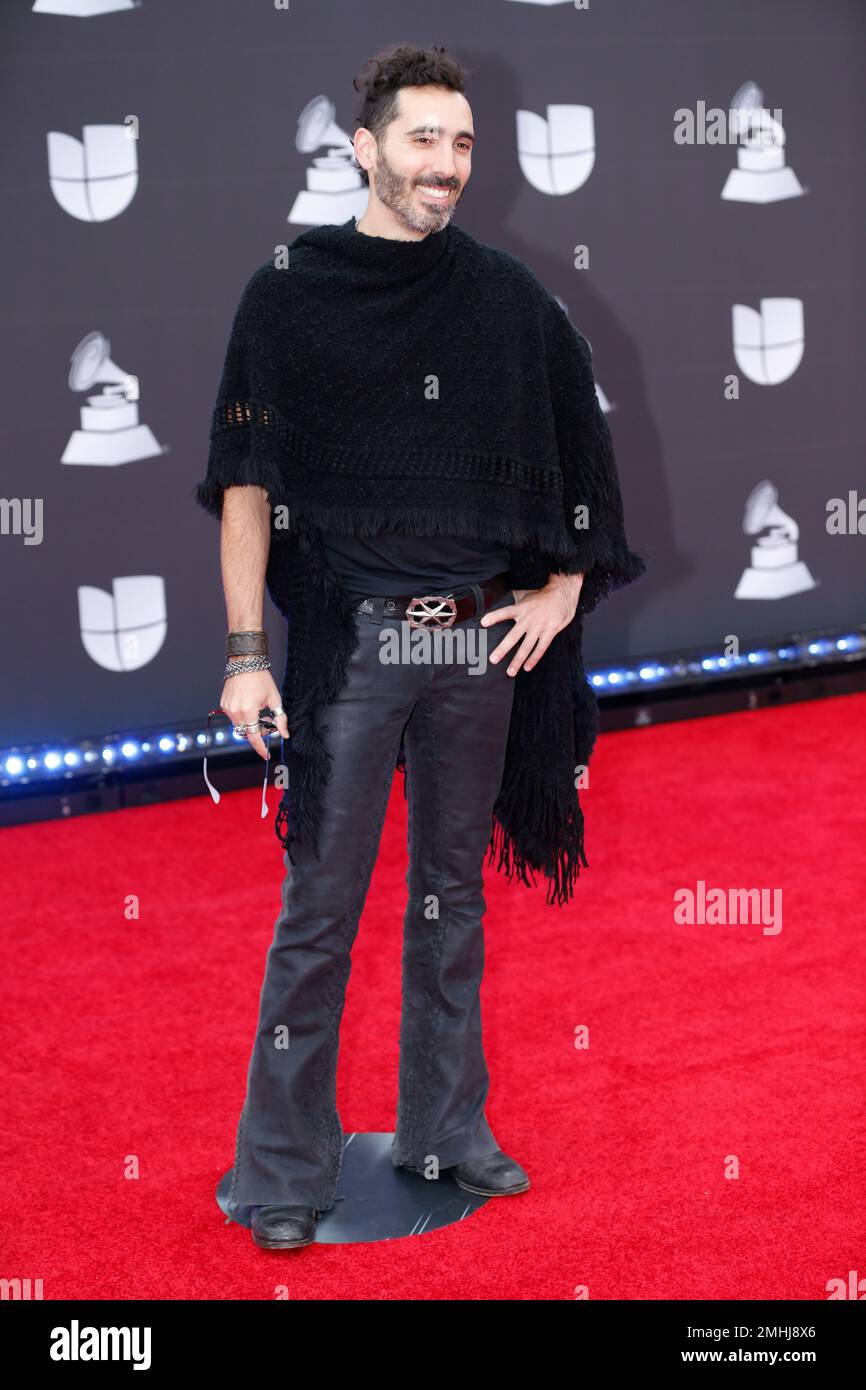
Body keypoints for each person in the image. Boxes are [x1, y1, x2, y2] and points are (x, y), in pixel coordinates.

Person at [193, 43, 647, 1250]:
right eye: (421, 141)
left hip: (474, 657)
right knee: (319, 915)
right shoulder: (288, 293)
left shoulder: (503, 298)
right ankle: (282, 1168)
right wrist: (247, 651)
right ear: (363, 147)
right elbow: (243, 485)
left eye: (460, 145)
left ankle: (448, 1128)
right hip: (348, 655)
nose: (444, 166)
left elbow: (580, 453)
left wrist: (557, 587)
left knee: (454, 905)